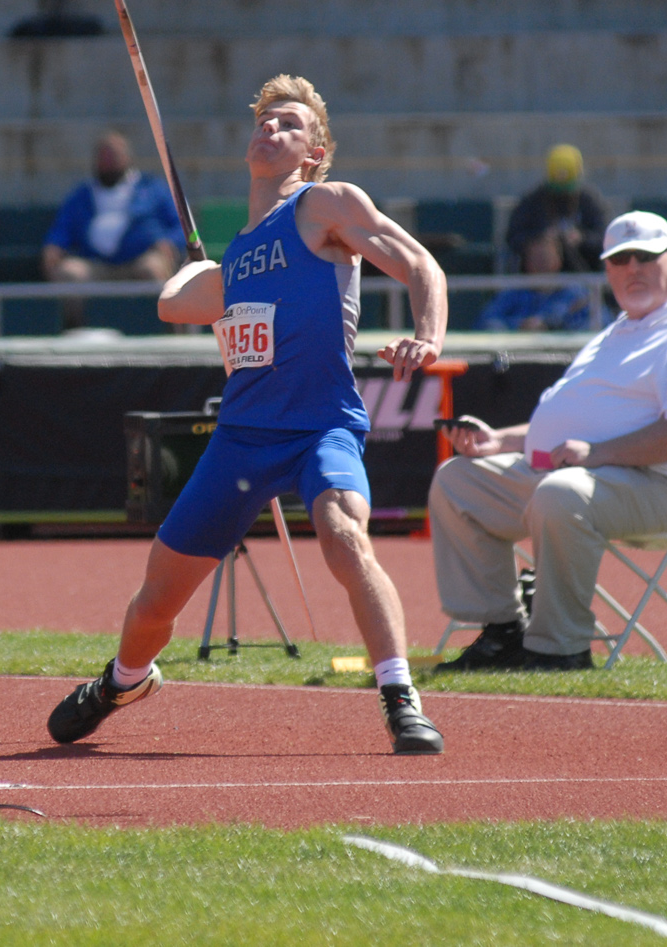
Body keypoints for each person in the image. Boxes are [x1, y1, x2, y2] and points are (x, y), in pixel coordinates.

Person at [46, 75, 448, 756]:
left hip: (321, 423)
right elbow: (173, 304)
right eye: (264, 121)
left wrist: (429, 333)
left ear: (314, 152)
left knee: (342, 528)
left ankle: (399, 695)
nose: (271, 129)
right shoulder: (237, 255)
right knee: (153, 603)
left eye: (289, 124)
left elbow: (417, 261)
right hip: (241, 438)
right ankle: (124, 679)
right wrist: (205, 277)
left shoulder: (325, 206)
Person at [430, 211, 667, 671]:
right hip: (585, 473)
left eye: (646, 256)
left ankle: (559, 648)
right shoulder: (618, 330)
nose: (632, 268)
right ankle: (502, 632)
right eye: (620, 259)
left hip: (665, 488)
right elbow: (569, 429)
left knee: (562, 494)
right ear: (607, 269)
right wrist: (499, 440)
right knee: (459, 481)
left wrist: (596, 455)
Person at [42, 131, 184, 330]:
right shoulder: (81, 194)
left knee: (153, 268)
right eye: (103, 157)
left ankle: (171, 330)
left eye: (114, 156)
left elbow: (183, 228)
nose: (108, 162)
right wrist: (54, 246)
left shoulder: (152, 188)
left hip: (140, 260)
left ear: (128, 158)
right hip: (96, 264)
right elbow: (61, 229)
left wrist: (169, 242)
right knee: (69, 272)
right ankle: (73, 331)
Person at [505, 144, 611, 272]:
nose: (562, 194)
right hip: (538, 279)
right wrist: (541, 238)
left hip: (583, 275)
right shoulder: (532, 201)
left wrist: (581, 238)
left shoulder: (590, 201)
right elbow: (513, 237)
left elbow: (605, 239)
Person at [477, 230, 593, 333]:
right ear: (526, 262)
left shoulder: (578, 294)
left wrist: (555, 326)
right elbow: (485, 323)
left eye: (546, 257)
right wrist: (519, 326)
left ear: (559, 259)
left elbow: (600, 323)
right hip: (517, 355)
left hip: (566, 356)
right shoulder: (512, 293)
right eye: (536, 257)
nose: (541, 263)